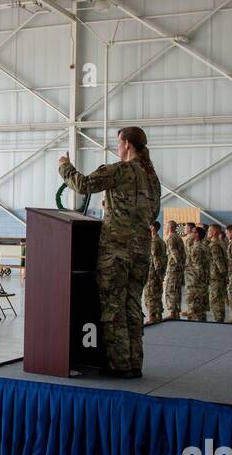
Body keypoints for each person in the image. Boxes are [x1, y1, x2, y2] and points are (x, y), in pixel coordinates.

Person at [57, 127, 162, 376]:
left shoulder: (119, 170)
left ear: (126, 144)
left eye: (119, 142)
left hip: (116, 252)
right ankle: (135, 363)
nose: (117, 147)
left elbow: (83, 185)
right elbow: (153, 212)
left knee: (113, 307)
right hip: (141, 251)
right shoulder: (152, 178)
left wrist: (64, 166)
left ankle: (119, 365)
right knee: (134, 306)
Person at [184, 225, 209, 321]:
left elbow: (198, 267)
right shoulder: (201, 245)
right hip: (199, 280)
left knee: (194, 305)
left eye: (193, 232)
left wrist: (194, 281)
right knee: (199, 306)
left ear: (197, 235)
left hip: (195, 282)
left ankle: (195, 323)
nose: (191, 234)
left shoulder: (197, 248)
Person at [143, 222, 166, 323]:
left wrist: (157, 272)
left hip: (153, 272)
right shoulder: (161, 241)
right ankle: (158, 315)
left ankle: (152, 317)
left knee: (150, 295)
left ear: (153, 228)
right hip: (158, 271)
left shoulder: (154, 241)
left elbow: (155, 258)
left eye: (150, 226)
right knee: (157, 294)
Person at [163, 221, 186, 321]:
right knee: (176, 290)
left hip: (174, 269)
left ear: (170, 228)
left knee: (171, 289)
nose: (165, 228)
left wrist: (178, 265)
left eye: (166, 226)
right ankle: (176, 311)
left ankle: (173, 312)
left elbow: (174, 253)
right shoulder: (178, 237)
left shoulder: (171, 238)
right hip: (178, 268)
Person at [207, 224, 227, 323]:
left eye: (209, 231)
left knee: (215, 298)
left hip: (216, 276)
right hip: (217, 275)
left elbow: (218, 261)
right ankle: (219, 317)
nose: (207, 233)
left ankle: (219, 318)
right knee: (218, 297)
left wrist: (223, 274)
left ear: (214, 232)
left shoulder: (214, 245)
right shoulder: (220, 242)